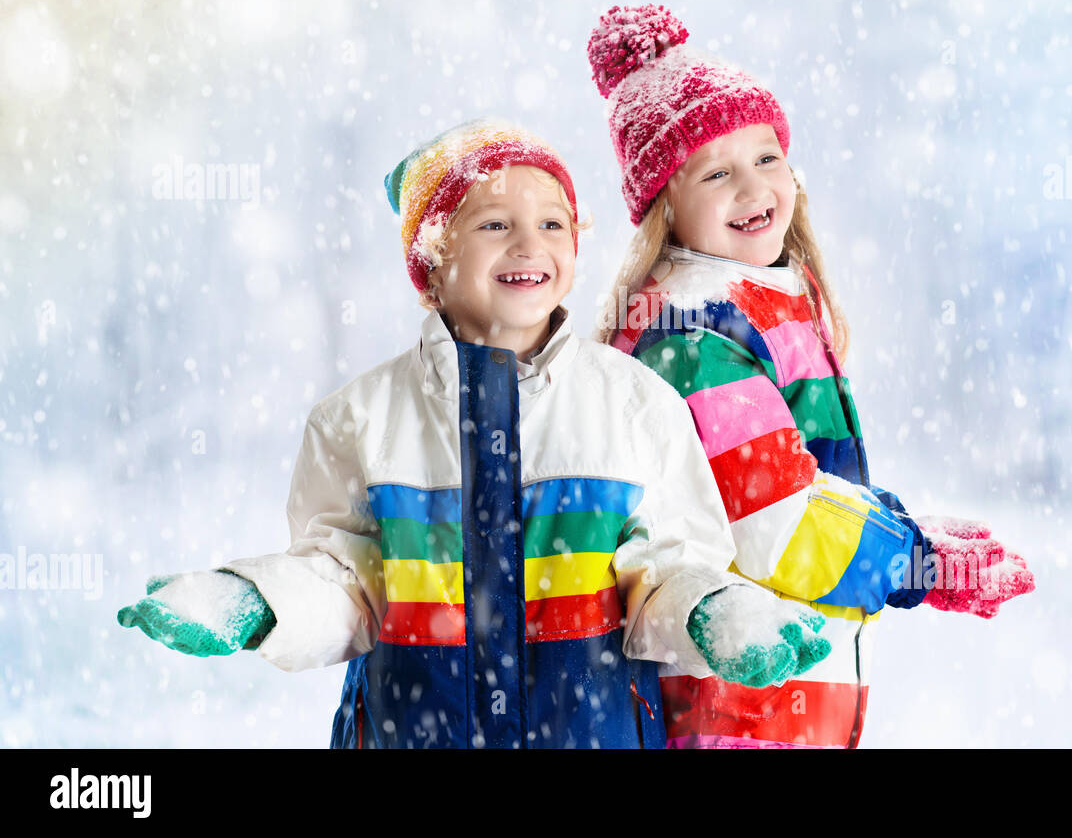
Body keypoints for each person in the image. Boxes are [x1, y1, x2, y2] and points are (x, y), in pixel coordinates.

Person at [117, 119, 831, 749]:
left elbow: (669, 568)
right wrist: (255, 599)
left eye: (553, 224)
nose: (530, 243)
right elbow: (343, 581)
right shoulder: (360, 420)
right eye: (494, 224)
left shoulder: (634, 406)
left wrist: (715, 611)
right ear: (431, 262)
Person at [587, 5, 1036, 748]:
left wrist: (898, 528)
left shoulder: (757, 302)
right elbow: (777, 521)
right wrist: (914, 560)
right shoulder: (692, 332)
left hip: (782, 700)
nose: (753, 187)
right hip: (731, 702)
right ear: (664, 202)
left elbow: (794, 480)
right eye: (717, 171)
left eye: (766, 157)